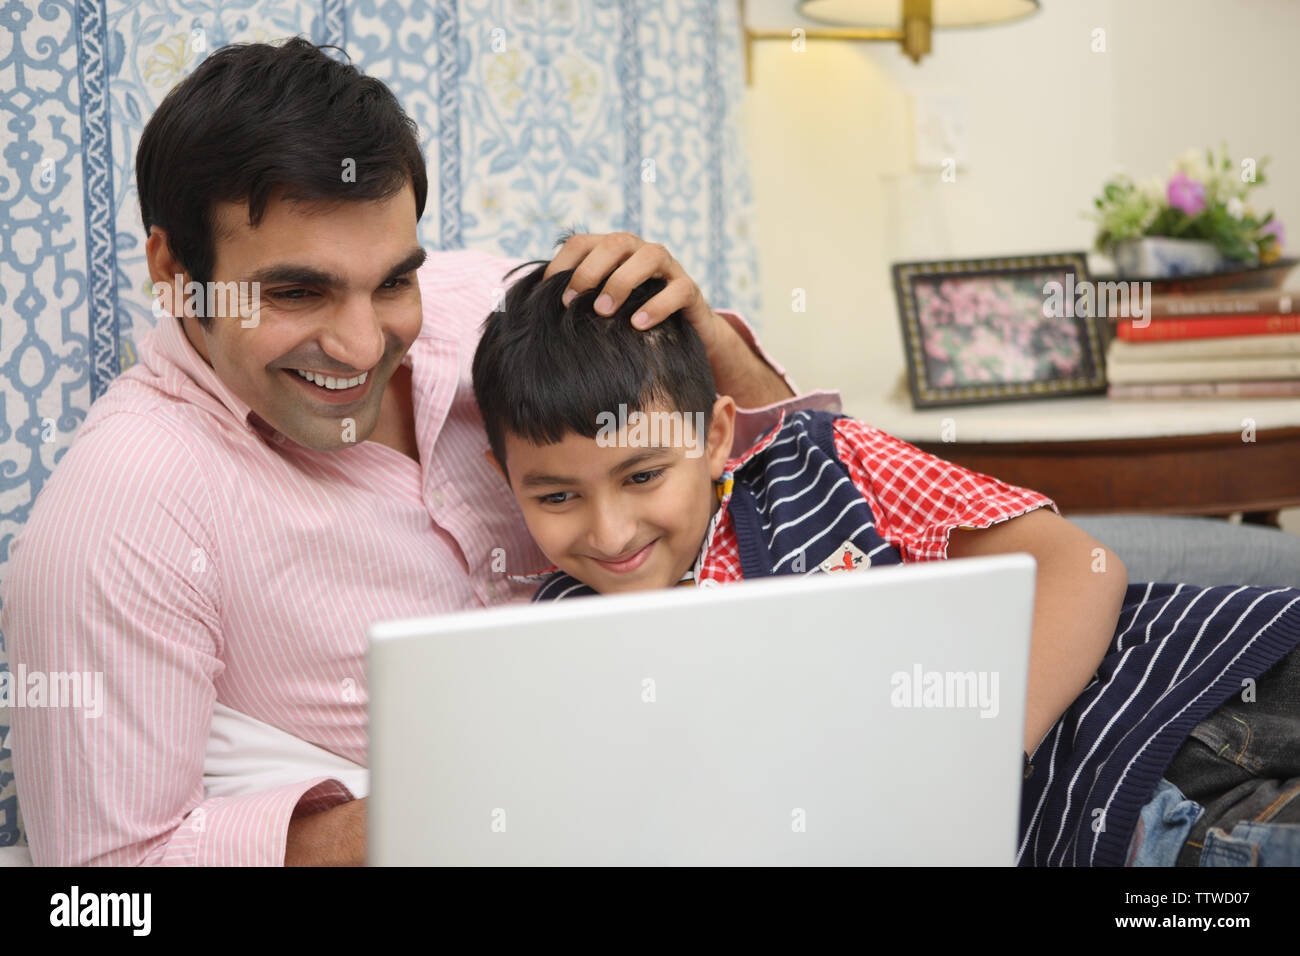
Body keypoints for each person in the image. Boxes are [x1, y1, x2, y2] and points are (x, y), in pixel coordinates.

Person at [0, 38, 829, 866]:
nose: (364, 347)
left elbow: (820, 486)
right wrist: (448, 804)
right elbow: (103, 888)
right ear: (174, 270)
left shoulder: (499, 311)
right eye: (296, 292)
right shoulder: (119, 516)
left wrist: (714, 343)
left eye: (394, 282)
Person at [471, 260, 1300, 867]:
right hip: (1123, 825)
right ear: (506, 479)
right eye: (555, 498)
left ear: (715, 433)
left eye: (643, 475)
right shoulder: (562, 651)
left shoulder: (818, 460)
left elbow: (1081, 567)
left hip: (1204, 675)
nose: (610, 531)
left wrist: (970, 763)